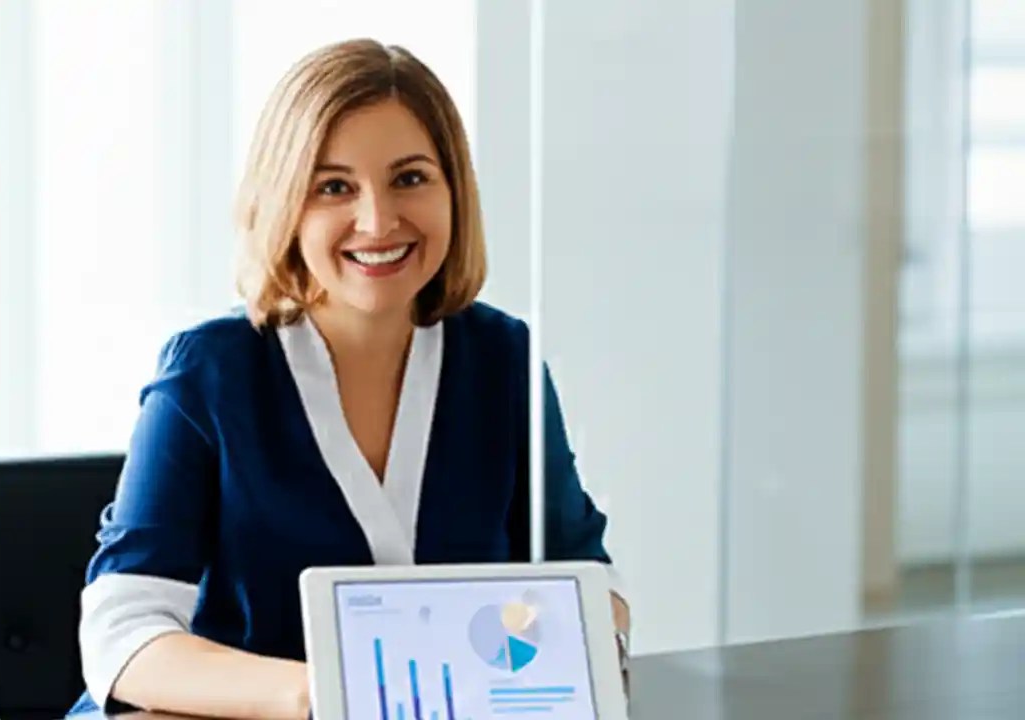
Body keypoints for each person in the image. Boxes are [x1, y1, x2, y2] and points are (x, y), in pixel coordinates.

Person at [67, 38, 631, 719]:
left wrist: (560, 643)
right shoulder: (211, 370)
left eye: (411, 178)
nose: (377, 220)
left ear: (454, 189)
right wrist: (326, 693)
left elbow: (587, 582)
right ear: (287, 204)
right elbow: (122, 632)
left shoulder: (503, 360)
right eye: (334, 187)